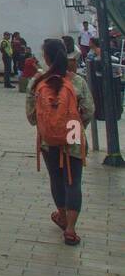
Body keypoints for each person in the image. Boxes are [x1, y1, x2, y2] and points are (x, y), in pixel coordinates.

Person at [27, 37, 93, 246]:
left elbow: (31, 117)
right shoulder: (77, 81)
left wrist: (50, 123)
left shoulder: (37, 82)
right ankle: (71, 230)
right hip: (73, 134)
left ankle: (62, 216)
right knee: (73, 181)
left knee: (56, 179)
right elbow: (90, 110)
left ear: (46, 58)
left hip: (48, 139)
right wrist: (75, 124)